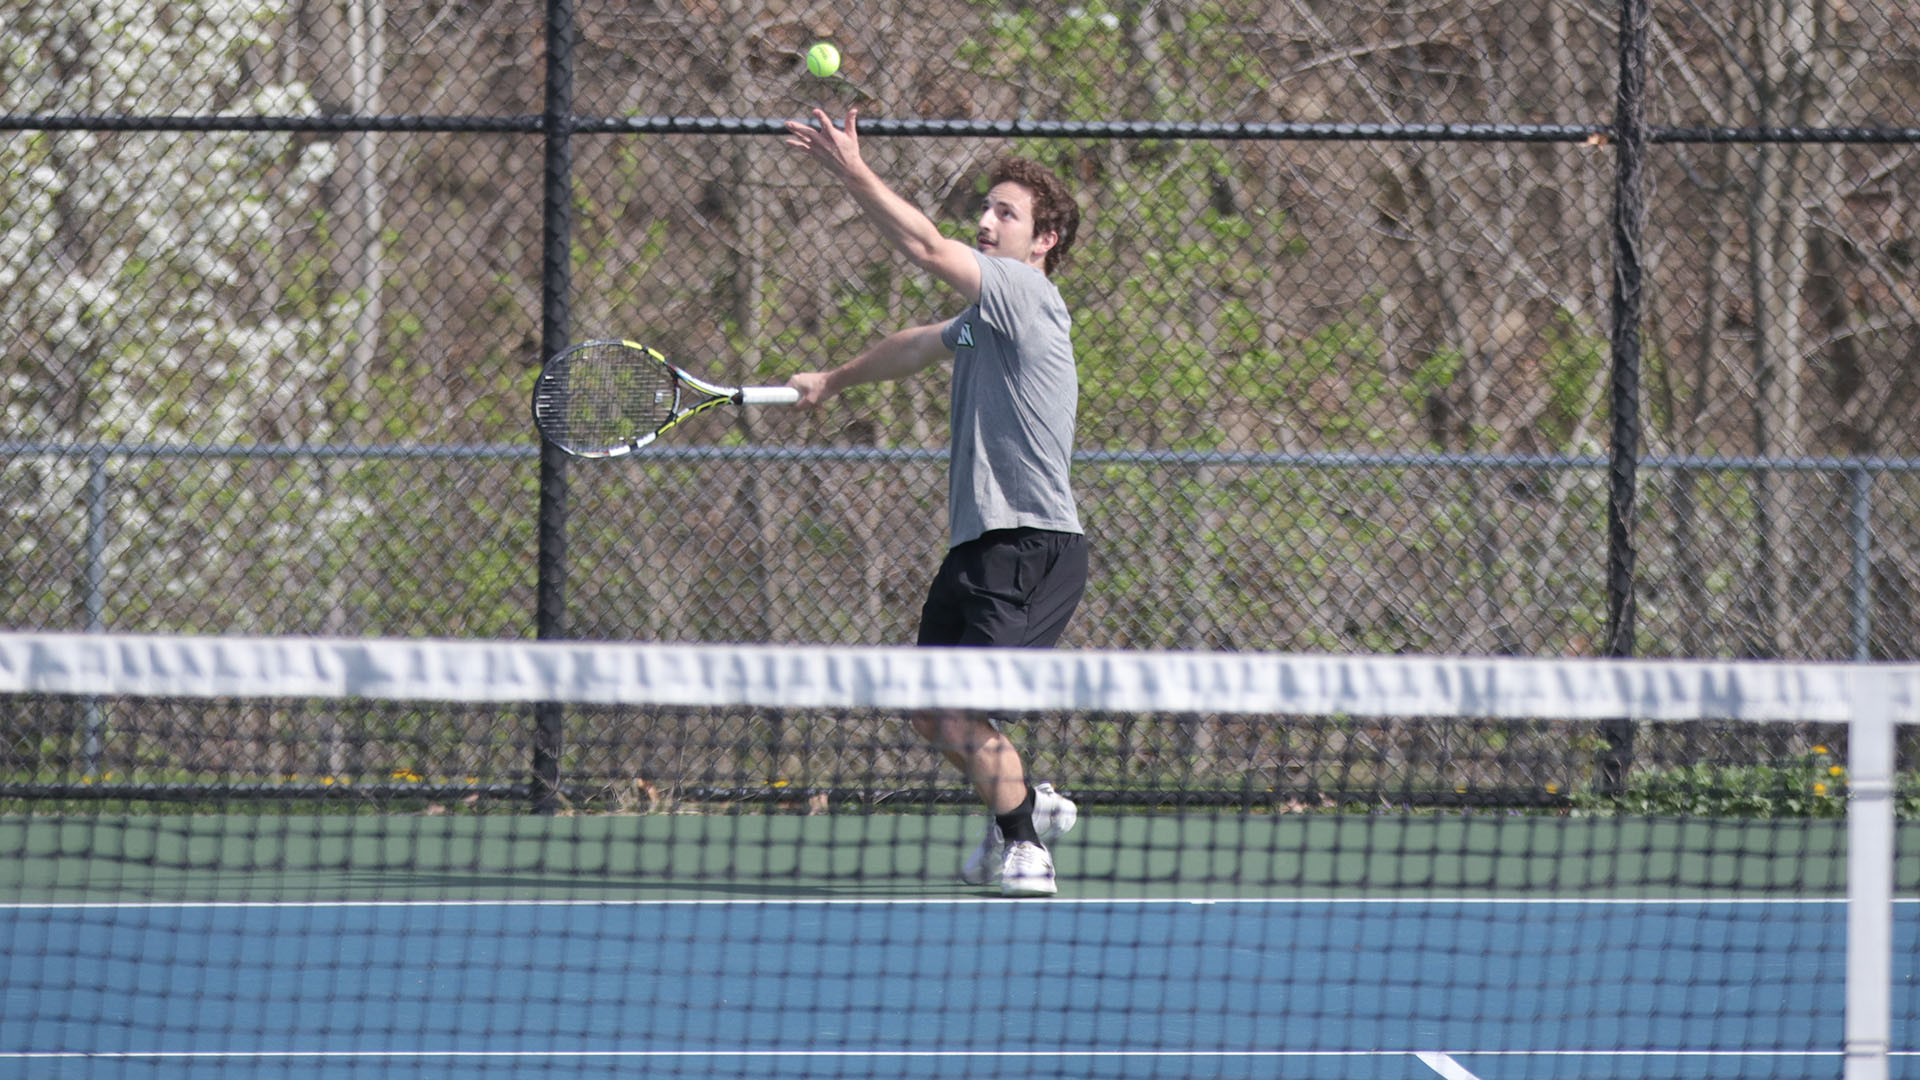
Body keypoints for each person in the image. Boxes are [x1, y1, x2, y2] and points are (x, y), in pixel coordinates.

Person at [782, 107, 1087, 897]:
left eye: (1005, 212)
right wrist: (833, 379)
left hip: (1029, 545)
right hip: (978, 545)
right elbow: (918, 343)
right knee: (929, 713)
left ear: (1043, 240)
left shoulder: (1024, 296)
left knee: (955, 712)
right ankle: (1023, 800)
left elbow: (921, 246)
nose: (985, 221)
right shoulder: (987, 318)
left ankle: (1025, 846)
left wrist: (851, 170)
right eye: (984, 208)